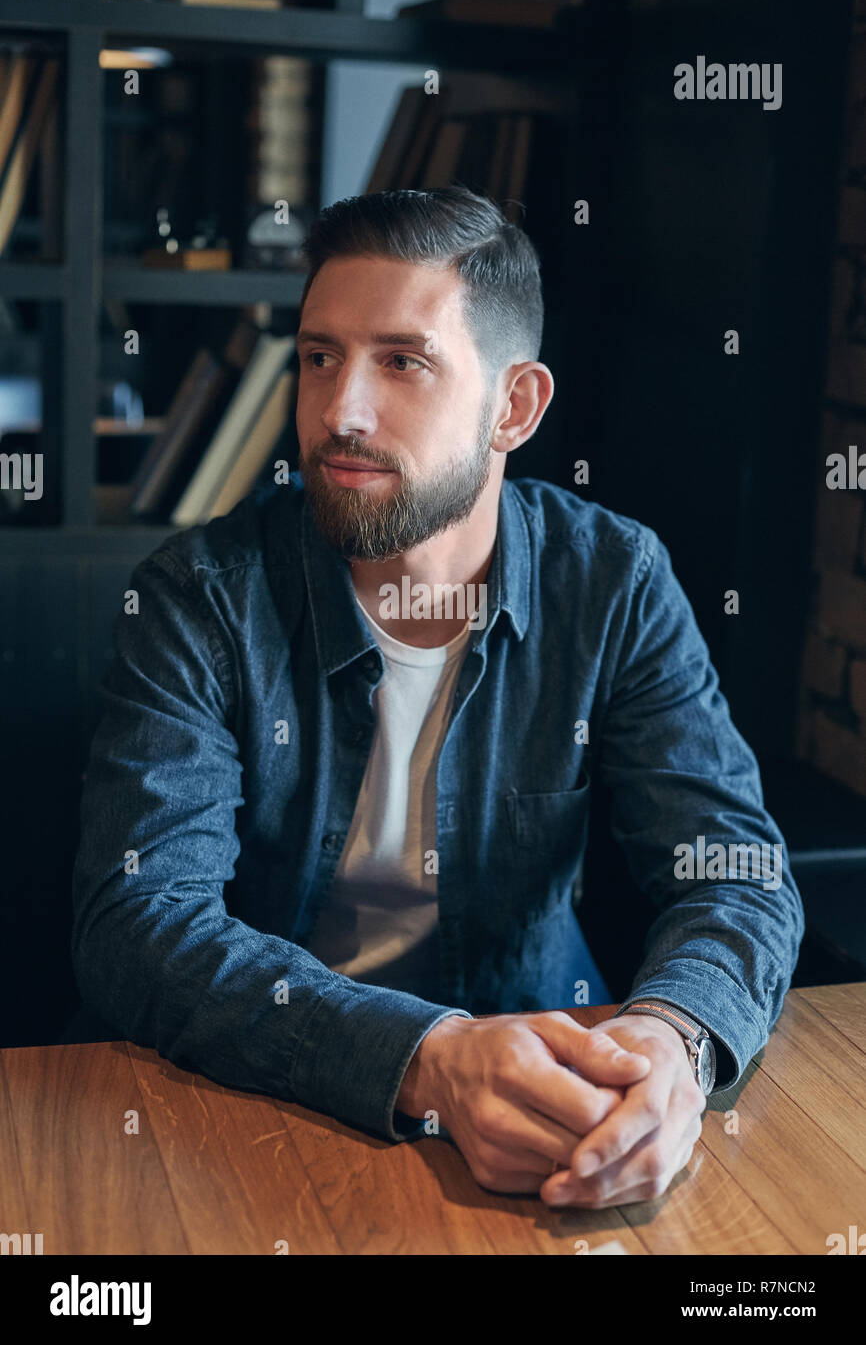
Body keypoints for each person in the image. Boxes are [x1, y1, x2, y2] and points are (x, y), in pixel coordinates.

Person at [71, 187, 804, 1210]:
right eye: (319, 356)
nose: (340, 411)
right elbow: (136, 919)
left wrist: (667, 1039)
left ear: (513, 407)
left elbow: (733, 871)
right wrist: (427, 1056)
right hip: (273, 1111)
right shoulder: (204, 594)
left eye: (400, 362)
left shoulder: (610, 581)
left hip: (551, 1104)